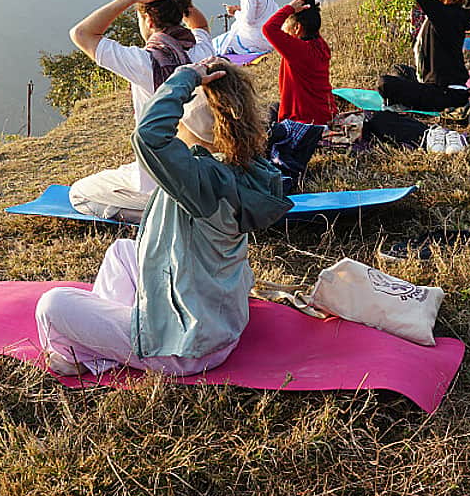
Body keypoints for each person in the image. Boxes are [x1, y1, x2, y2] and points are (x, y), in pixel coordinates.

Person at [37, 59, 294, 376]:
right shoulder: (244, 165)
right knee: (122, 252)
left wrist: (185, 78)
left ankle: (92, 356)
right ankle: (117, 336)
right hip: (218, 325)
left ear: (191, 127)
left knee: (53, 304)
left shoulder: (200, 179)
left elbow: (148, 136)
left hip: (185, 348)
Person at [67, 0, 215, 220]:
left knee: (80, 194)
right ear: (181, 13)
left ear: (147, 19)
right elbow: (200, 24)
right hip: (203, 172)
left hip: (160, 180)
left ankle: (167, 215)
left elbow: (81, 33)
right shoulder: (202, 52)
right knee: (123, 173)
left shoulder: (144, 63)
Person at [262, 0, 336, 125]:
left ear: (297, 28)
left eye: (286, 25)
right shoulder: (321, 45)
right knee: (273, 108)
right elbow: (311, 26)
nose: (283, 29)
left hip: (303, 121)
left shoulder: (298, 50)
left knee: (266, 113)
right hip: (325, 114)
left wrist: (289, 8)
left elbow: (268, 29)